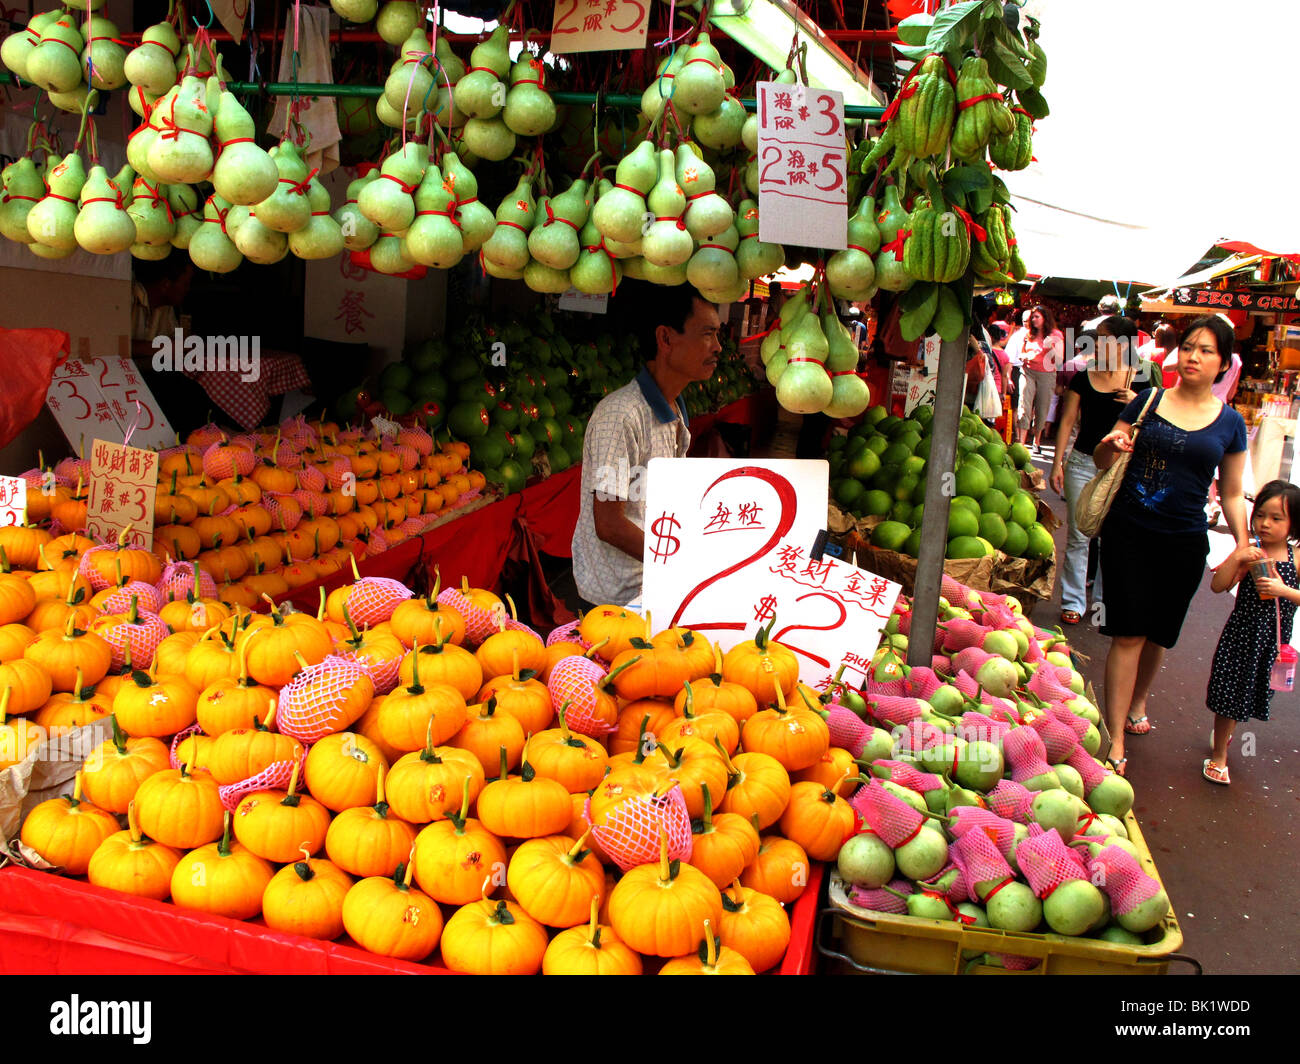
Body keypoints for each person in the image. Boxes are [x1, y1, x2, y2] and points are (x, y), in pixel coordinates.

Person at [1092, 315, 1250, 777]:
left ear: (1223, 364)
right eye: (1189, 347)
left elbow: (1235, 492)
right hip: (1129, 531)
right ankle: (1115, 733)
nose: (1194, 356)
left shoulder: (1231, 423)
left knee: (1159, 633)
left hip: (1184, 542)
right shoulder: (1148, 400)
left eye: (1206, 350)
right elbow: (1104, 459)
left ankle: (1140, 698)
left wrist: (1242, 545)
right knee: (1128, 632)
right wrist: (1112, 444)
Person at [571, 283, 722, 609]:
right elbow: (609, 525)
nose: (718, 347)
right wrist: (679, 562)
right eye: (707, 334)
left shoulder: (676, 407)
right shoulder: (621, 415)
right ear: (666, 338)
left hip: (652, 584)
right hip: (613, 603)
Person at [1050, 319, 1151, 626]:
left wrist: (1137, 402)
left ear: (1125, 344)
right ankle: (1073, 601)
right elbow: (1067, 420)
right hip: (1082, 462)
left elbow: (1153, 423)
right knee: (1080, 536)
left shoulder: (1140, 378)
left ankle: (1105, 603)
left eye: (1106, 339)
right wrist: (1058, 462)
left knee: (1113, 537)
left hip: (1121, 469)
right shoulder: (1083, 376)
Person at [1203, 480, 1300, 785]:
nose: (1265, 524)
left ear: (1293, 523)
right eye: (1260, 515)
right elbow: (1218, 586)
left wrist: (1283, 589)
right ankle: (1219, 756)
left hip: (1272, 643)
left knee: (1247, 694)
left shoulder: (1296, 558)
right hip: (1241, 636)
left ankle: (1226, 733)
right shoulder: (1250, 552)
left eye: (1276, 518)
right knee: (1228, 694)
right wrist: (1238, 558)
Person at [1015, 305, 1064, 453]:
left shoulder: (1056, 334)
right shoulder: (1028, 333)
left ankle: (1037, 440)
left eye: (1037, 317)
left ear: (1045, 318)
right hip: (1028, 370)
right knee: (1024, 404)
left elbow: (1060, 359)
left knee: (1042, 407)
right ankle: (1021, 443)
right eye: (1032, 317)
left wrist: (1050, 348)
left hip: (1047, 374)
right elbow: (1021, 353)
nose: (1033, 320)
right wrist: (1025, 356)